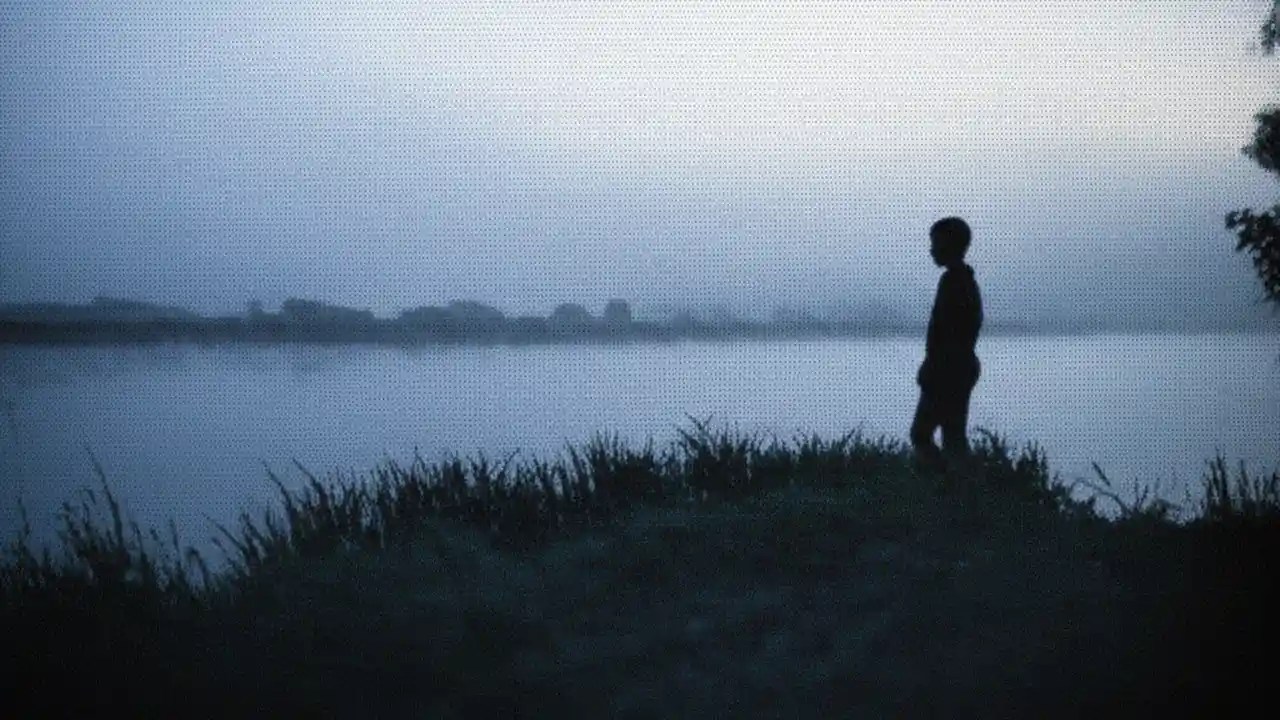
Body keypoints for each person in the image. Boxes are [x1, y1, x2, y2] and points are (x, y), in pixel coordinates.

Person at [910, 217, 983, 470]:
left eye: (935, 243)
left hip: (949, 371)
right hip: (960, 368)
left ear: (950, 245)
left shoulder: (955, 283)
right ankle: (958, 486)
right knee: (954, 436)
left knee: (922, 434)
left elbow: (947, 336)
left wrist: (932, 368)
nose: (931, 249)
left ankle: (947, 484)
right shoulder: (961, 281)